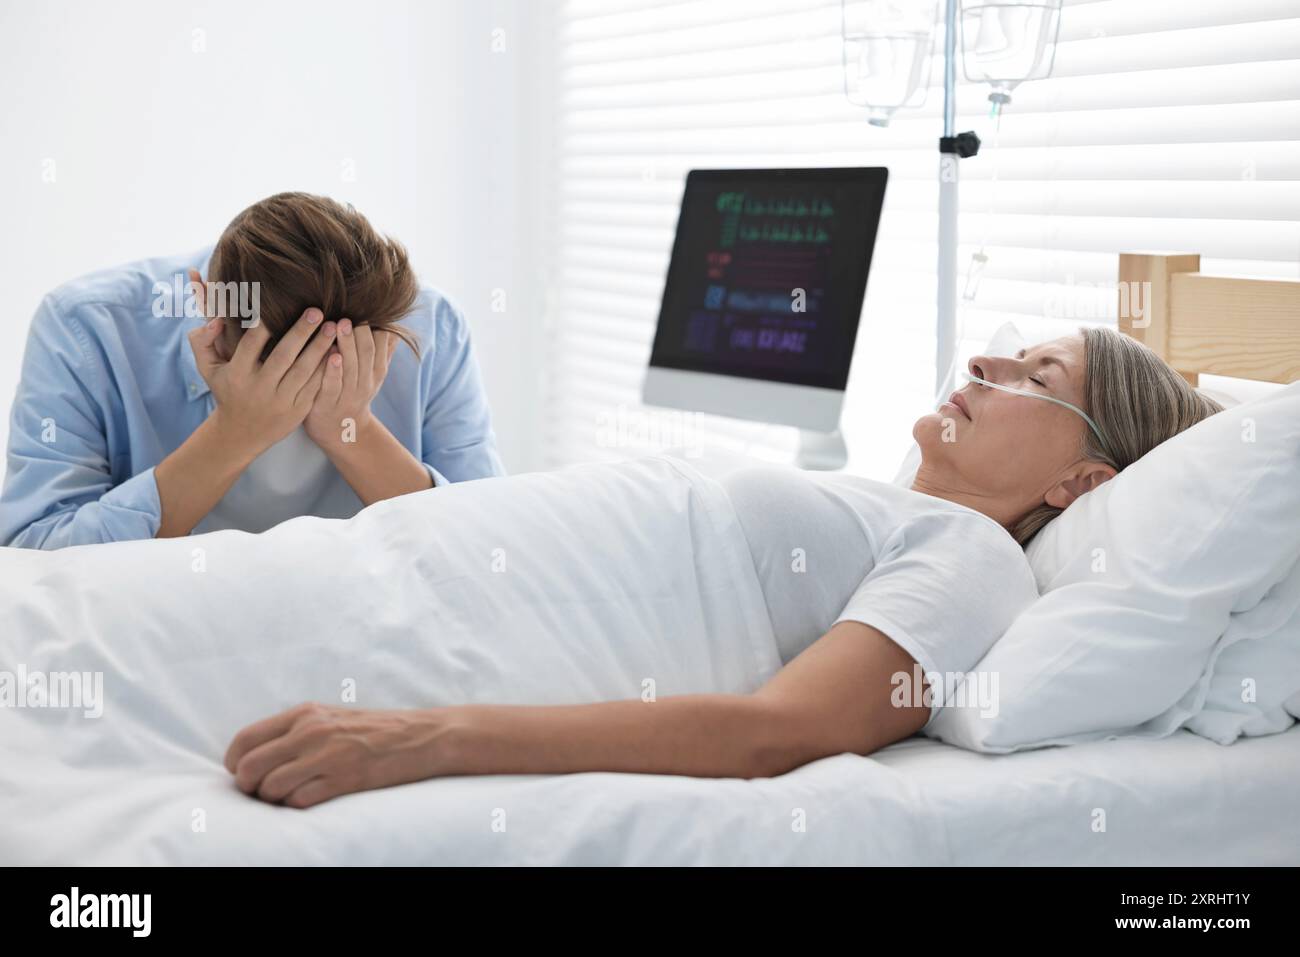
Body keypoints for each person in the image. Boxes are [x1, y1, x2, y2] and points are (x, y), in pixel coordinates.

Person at [221, 327, 1223, 809]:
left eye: (1032, 378)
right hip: (377, 572)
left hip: (389, 633)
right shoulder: (883, 509)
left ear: (1083, 483)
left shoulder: (970, 561)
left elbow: (774, 735)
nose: (983, 370)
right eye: (999, 355)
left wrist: (414, 742)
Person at [0, 192, 503, 549]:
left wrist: (352, 429)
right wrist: (234, 434)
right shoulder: (86, 326)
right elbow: (36, 551)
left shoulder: (427, 325)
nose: (303, 390)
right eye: (283, 373)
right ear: (206, 309)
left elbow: (487, 551)